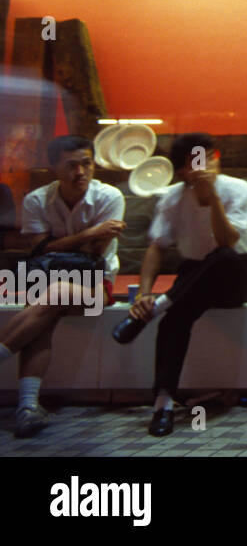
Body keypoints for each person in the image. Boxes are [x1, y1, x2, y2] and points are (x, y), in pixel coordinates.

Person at [112, 132, 247, 437]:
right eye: (198, 161)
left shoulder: (239, 190)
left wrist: (213, 196)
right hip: (192, 276)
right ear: (182, 171)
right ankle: (162, 403)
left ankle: (159, 307)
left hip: (232, 274)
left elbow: (229, 241)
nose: (207, 166)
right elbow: (157, 247)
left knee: (224, 256)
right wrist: (144, 293)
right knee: (174, 321)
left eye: (211, 158)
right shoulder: (173, 197)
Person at [2, 136, 123, 438]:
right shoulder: (37, 200)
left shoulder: (109, 197)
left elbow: (95, 252)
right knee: (42, 318)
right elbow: (38, 249)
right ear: (54, 167)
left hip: (95, 286)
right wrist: (91, 232)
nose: (81, 172)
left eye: (87, 164)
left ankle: (27, 402)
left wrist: (55, 246)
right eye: (71, 165)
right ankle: (28, 407)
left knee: (51, 295)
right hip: (45, 280)